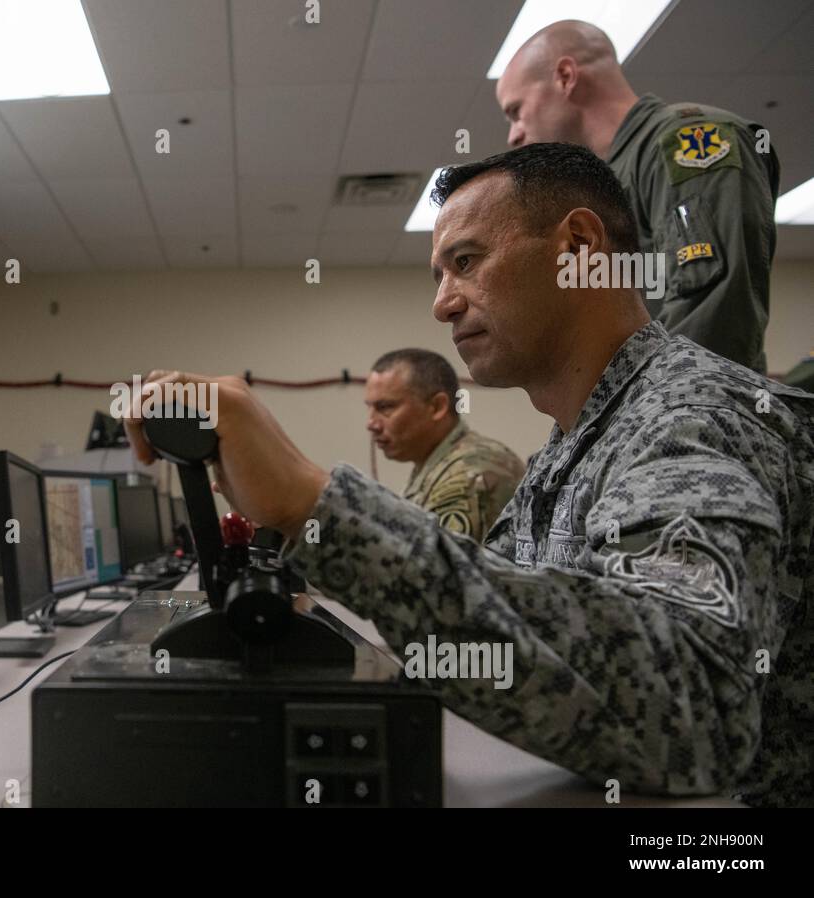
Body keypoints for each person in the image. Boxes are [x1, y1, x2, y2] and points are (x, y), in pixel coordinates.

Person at [125, 144, 813, 807]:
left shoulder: (692, 417)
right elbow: (500, 628)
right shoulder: (570, 448)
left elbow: (692, 712)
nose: (443, 303)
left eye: (466, 261)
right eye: (440, 275)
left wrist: (314, 503)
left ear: (578, 248)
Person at [495, 20, 781, 374]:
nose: (513, 135)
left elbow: (713, 316)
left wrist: (643, 418)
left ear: (566, 77)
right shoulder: (597, 188)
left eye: (515, 112)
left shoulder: (688, 140)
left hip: (690, 415)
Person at [365, 348, 522, 542]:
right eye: (370, 408)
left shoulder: (469, 474)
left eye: (385, 407)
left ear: (437, 407)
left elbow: (433, 567)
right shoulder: (438, 463)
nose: (371, 423)